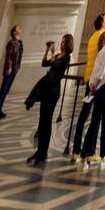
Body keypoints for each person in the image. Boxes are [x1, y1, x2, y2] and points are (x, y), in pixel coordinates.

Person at [25, 34, 74, 167]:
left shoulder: (66, 58)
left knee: (47, 122)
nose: (62, 43)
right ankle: (40, 151)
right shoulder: (57, 55)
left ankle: (43, 153)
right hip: (47, 89)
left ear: (68, 44)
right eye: (62, 41)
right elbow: (44, 63)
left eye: (64, 41)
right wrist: (48, 50)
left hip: (53, 91)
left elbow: (57, 69)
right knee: (42, 122)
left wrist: (53, 55)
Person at [72, 13, 105, 162]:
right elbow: (103, 62)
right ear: (102, 24)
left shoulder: (93, 36)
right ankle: (90, 152)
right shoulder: (102, 38)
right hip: (97, 82)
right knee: (96, 118)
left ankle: (76, 150)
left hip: (88, 78)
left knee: (83, 116)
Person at [81, 29, 105, 170]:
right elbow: (104, 69)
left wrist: (92, 85)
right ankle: (103, 156)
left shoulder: (100, 52)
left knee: (94, 123)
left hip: (98, 89)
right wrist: (95, 84)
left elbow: (95, 71)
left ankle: (85, 156)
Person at [0, 25, 23, 119]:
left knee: (6, 90)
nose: (20, 29)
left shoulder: (18, 43)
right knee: (3, 90)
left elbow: (19, 56)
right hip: (10, 69)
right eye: (18, 28)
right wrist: (9, 67)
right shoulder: (11, 43)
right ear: (14, 32)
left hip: (15, 69)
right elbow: (8, 56)